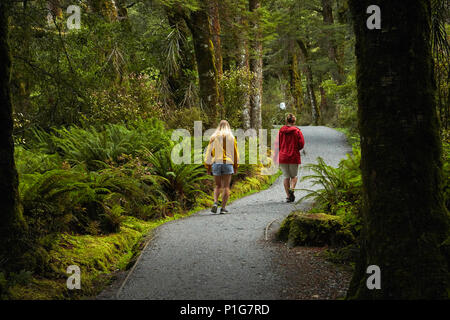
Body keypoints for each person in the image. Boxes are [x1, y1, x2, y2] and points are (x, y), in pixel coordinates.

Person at [204, 120, 239, 214]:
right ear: (228, 127)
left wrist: (207, 166)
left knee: (218, 185)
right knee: (226, 186)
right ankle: (223, 208)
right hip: (228, 163)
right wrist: (236, 166)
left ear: (219, 126)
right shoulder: (231, 138)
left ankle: (215, 203)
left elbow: (209, 153)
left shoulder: (213, 137)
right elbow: (235, 154)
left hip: (216, 163)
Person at [273, 114, 305, 202]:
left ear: (286, 121)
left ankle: (288, 196)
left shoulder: (281, 131)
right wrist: (295, 149)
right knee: (294, 176)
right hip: (293, 156)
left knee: (286, 177)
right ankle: (292, 188)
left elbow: (277, 143)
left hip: (283, 156)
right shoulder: (297, 131)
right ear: (294, 121)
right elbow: (301, 144)